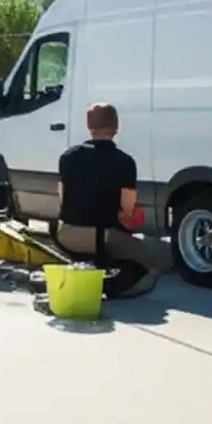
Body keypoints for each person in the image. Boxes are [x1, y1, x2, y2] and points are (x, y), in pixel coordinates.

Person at [54, 102, 158, 298]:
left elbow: (62, 198)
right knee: (152, 258)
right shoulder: (125, 162)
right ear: (116, 127)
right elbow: (128, 212)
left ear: (89, 126)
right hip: (103, 237)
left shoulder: (68, 157)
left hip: (67, 234)